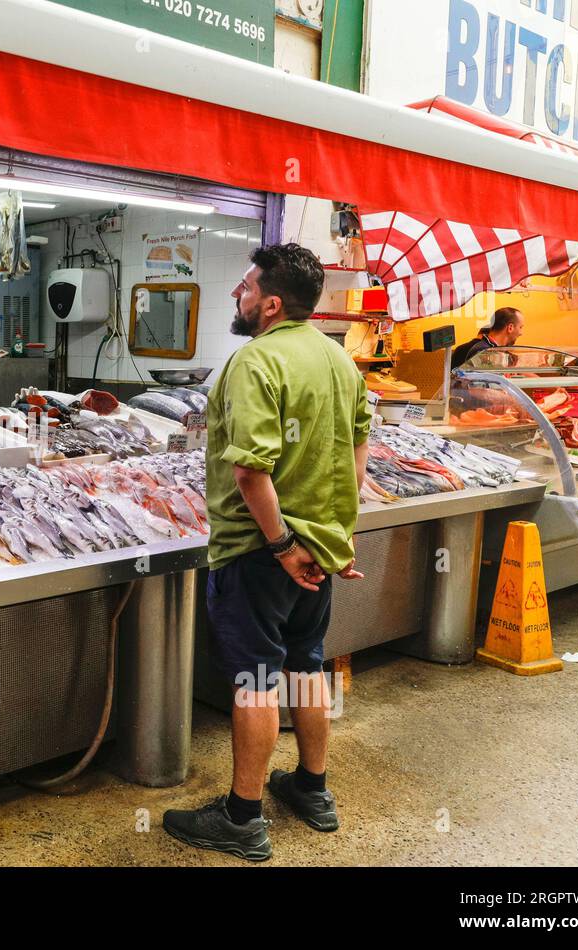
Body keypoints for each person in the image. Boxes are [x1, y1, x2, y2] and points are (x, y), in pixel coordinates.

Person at [163, 243, 369, 862]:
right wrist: (330, 533)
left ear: (271, 303)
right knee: (307, 664)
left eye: (246, 286)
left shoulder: (254, 362)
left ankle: (243, 816)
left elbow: (251, 471)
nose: (237, 294)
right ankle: (313, 788)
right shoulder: (339, 360)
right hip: (319, 550)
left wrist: (281, 544)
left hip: (260, 551)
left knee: (254, 679)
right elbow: (360, 443)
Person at [450, 307, 524, 370]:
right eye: (520, 327)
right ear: (510, 328)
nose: (521, 333)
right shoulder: (483, 351)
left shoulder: (497, 349)